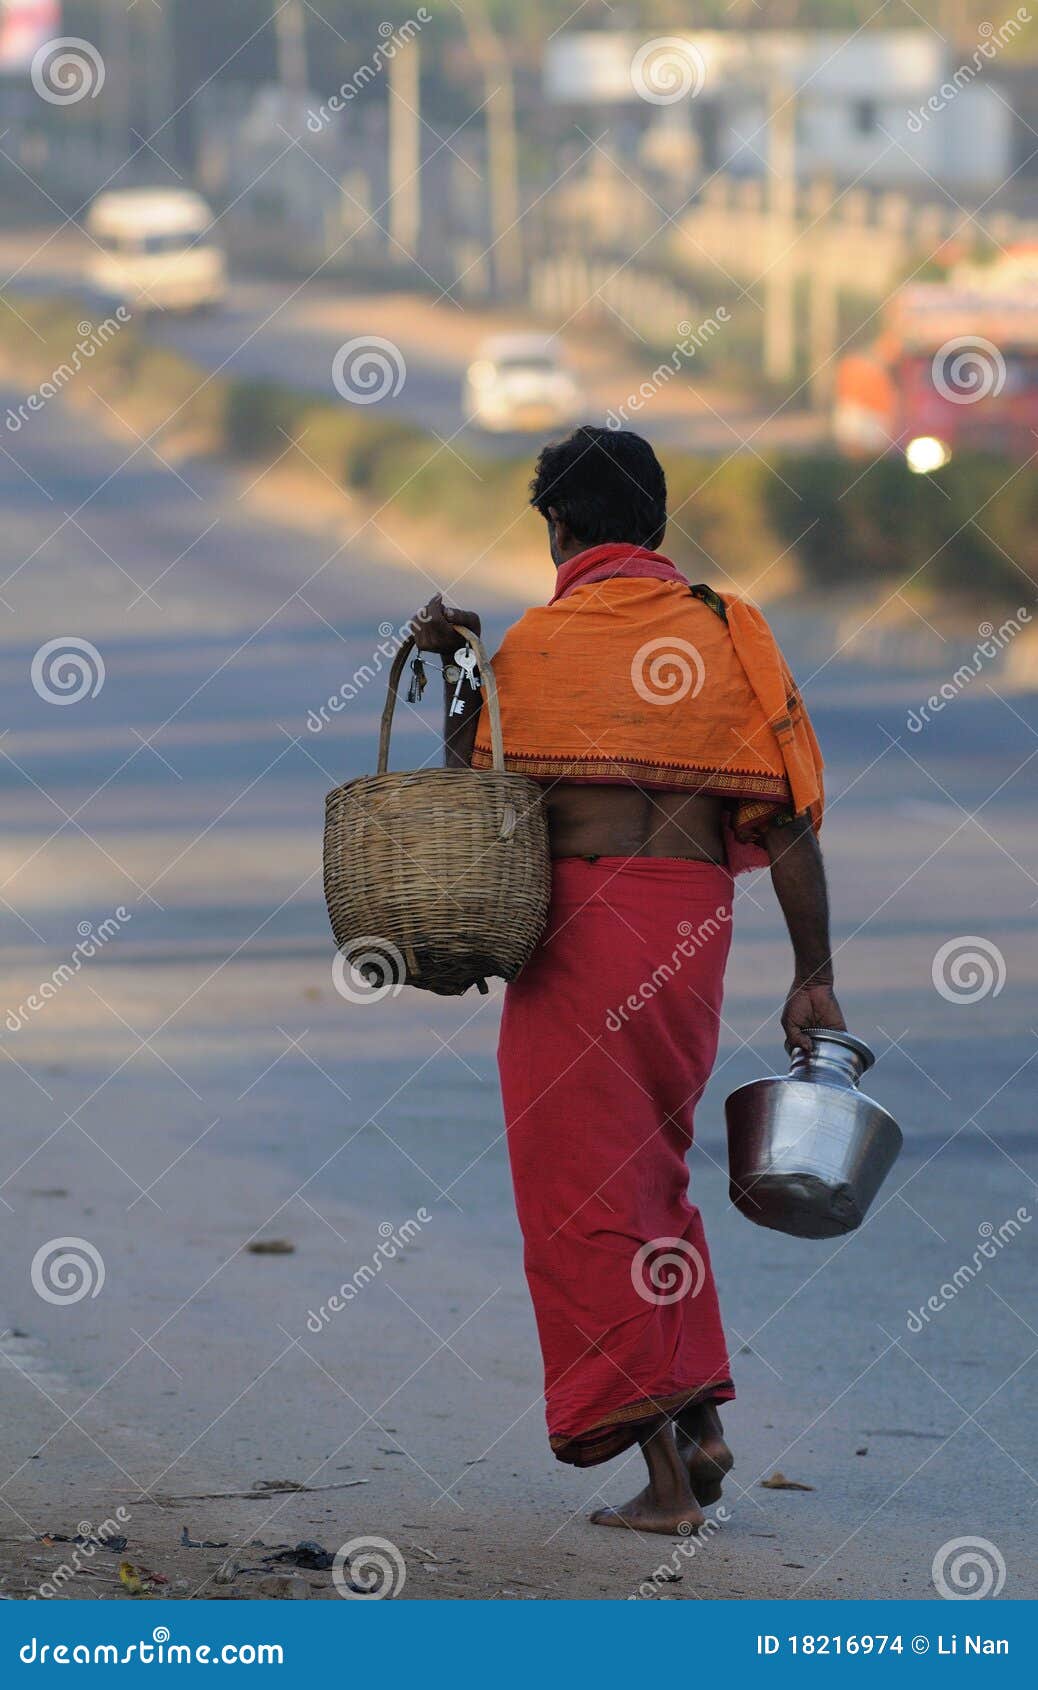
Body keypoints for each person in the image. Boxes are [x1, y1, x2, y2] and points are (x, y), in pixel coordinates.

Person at [411, 426, 844, 1534]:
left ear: (557, 528)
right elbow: (787, 818)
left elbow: (473, 787)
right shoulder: (726, 633)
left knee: (583, 1200)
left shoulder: (543, 647)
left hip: (578, 935)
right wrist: (815, 976)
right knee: (650, 1178)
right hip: (690, 930)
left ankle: (665, 1479)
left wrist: (457, 663)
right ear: (653, 524)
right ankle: (695, 1421)